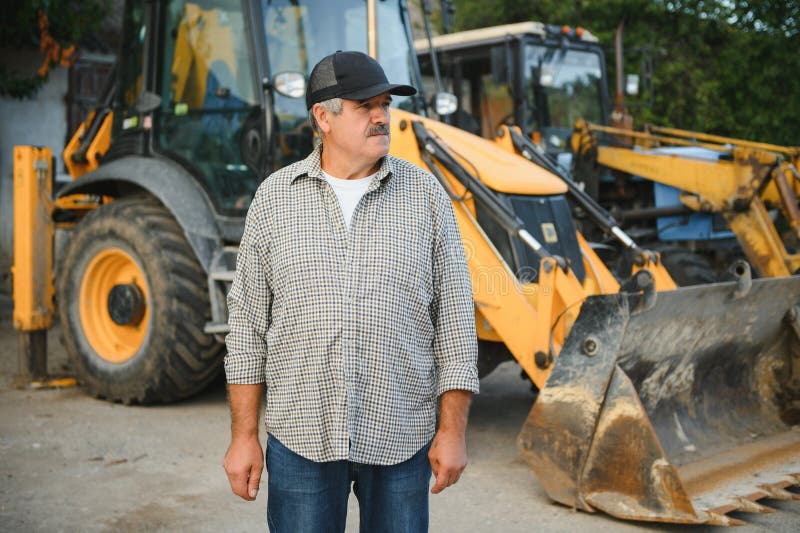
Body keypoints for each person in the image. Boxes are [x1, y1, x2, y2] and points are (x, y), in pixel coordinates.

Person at [223, 50, 479, 533]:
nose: (382, 116)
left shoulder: (426, 198)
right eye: (366, 106)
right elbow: (247, 328)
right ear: (323, 116)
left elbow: (456, 325)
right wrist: (244, 437)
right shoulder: (275, 200)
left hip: (400, 438)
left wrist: (452, 432)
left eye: (385, 103)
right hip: (302, 439)